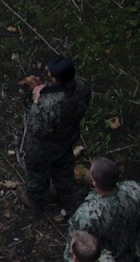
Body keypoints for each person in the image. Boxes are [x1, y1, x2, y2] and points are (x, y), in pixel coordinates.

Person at [21, 55, 92, 209]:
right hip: (67, 137)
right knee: (63, 166)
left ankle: (35, 197)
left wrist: (36, 100)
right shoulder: (82, 86)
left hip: (44, 147)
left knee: (37, 172)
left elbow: (36, 128)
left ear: (54, 79)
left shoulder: (49, 104)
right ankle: (66, 193)